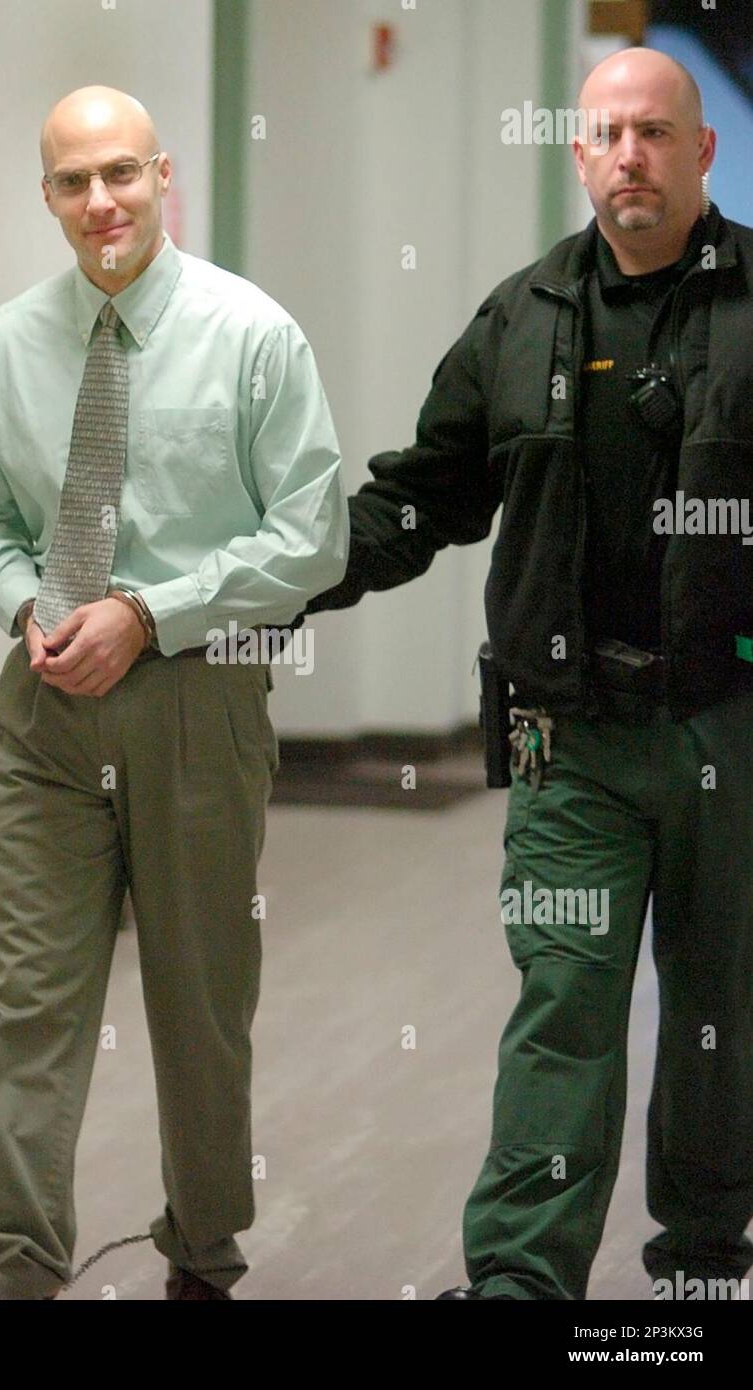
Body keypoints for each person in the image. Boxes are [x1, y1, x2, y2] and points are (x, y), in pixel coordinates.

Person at [307, 48, 753, 1299]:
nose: (631, 157)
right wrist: (274, 585)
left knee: (722, 1018)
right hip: (573, 742)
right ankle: (519, 1280)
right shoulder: (521, 319)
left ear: (700, 150)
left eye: (655, 134)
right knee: (562, 1007)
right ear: (575, 152)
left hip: (729, 728)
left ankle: (706, 1265)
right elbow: (419, 498)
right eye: (606, 134)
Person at [0, 85, 348, 1300]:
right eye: (71, 181)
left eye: (120, 173)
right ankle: (4, 1267)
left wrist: (150, 612)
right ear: (47, 196)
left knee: (198, 1004)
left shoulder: (250, 333)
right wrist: (27, 604)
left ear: (164, 176)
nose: (99, 201)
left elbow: (311, 533)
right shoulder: (4, 347)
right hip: (44, 712)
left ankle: (203, 1250)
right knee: (30, 1006)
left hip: (196, 704)